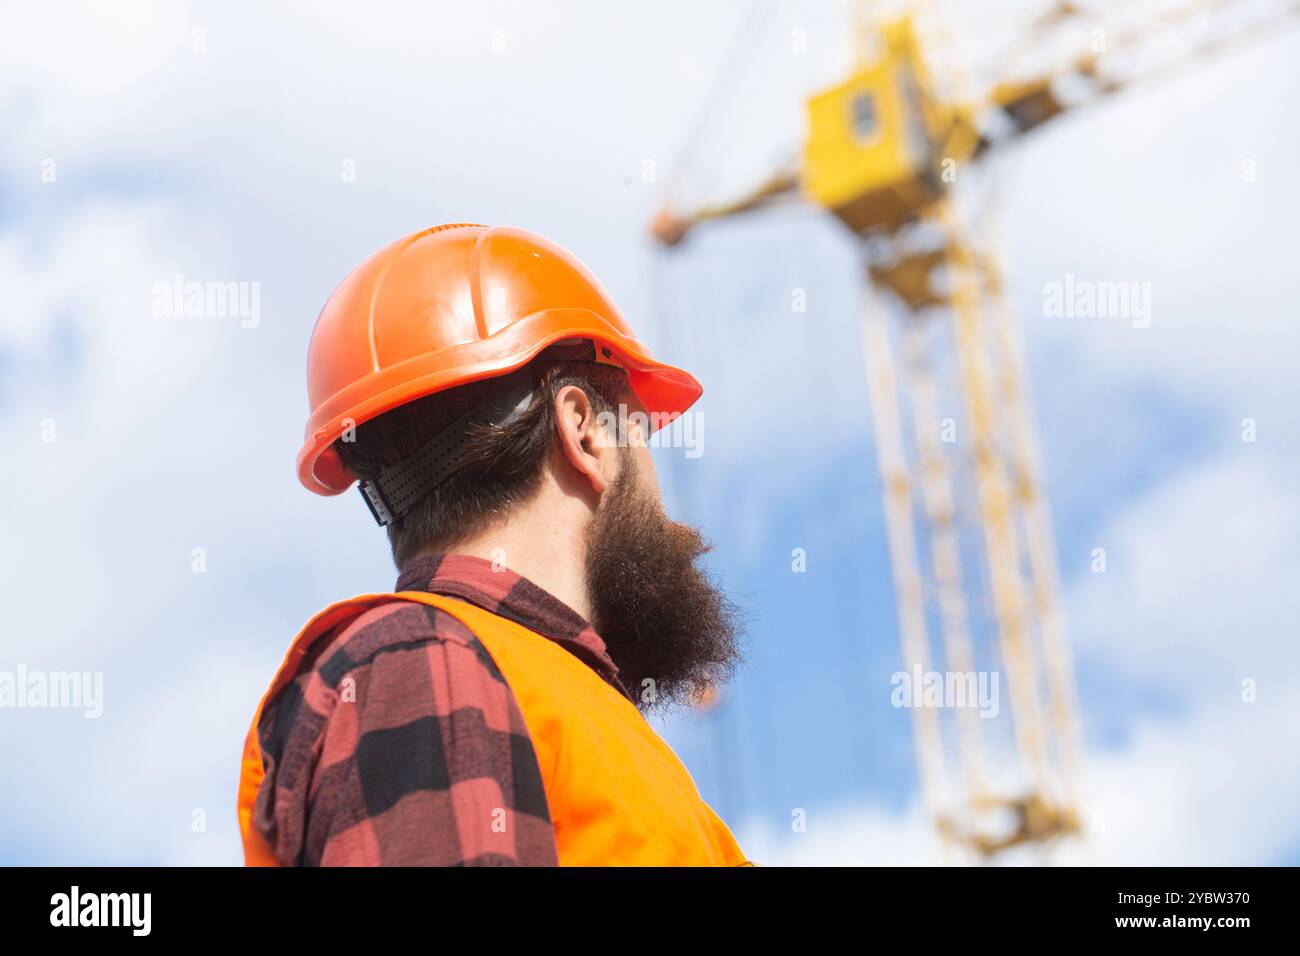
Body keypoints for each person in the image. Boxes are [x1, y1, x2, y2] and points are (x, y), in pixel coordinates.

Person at [236, 223, 749, 865]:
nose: (671, 512)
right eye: (640, 431)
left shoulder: (573, 716)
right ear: (583, 432)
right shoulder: (422, 663)